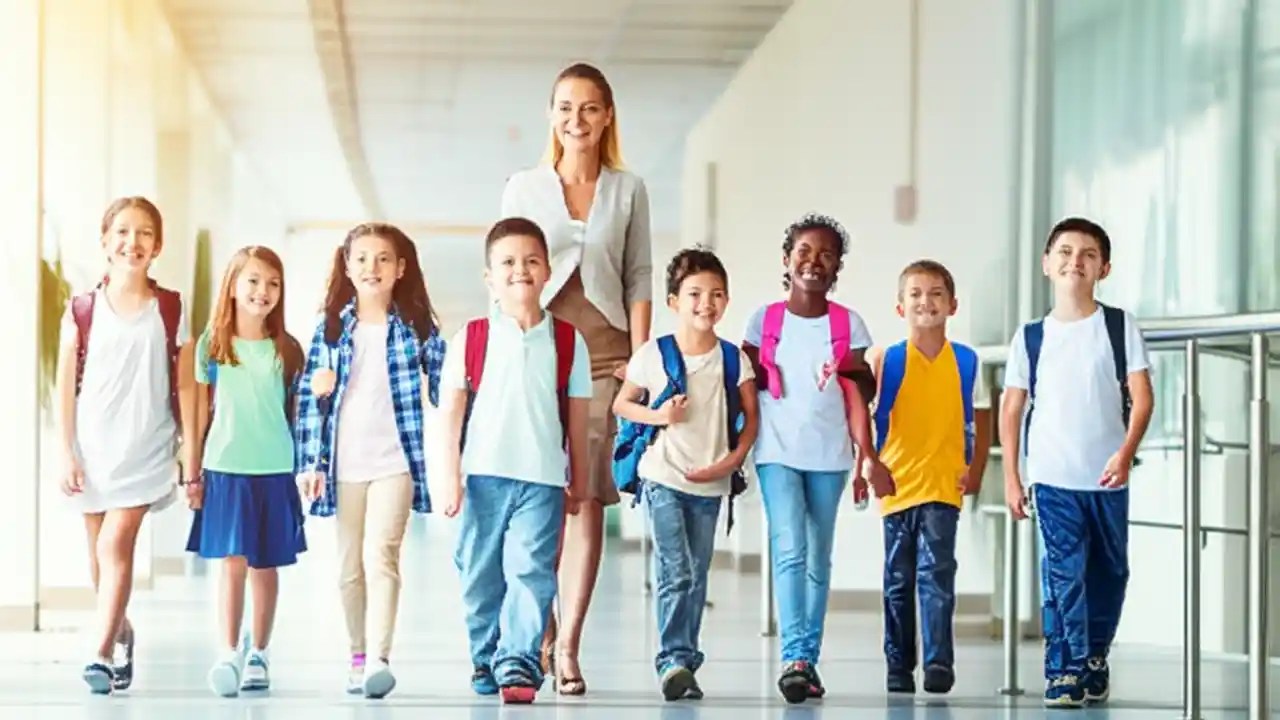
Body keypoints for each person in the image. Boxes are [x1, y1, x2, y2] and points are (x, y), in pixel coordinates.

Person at [499, 61, 652, 694]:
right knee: (543, 496)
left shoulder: (629, 188)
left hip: (608, 355)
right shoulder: (523, 186)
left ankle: (568, 645)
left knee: (586, 499)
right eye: (565, 107)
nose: (576, 120)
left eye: (589, 108)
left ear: (608, 115)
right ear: (551, 115)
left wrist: (643, 363)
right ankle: (540, 626)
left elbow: (641, 275)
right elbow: (505, 270)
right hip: (542, 353)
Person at [1000, 217, 1154, 708]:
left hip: (1107, 476)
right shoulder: (1030, 337)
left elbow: (1143, 397)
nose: (1075, 261)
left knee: (1111, 571)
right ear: (1047, 264)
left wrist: (1126, 452)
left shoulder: (1117, 325)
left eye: (1088, 254)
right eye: (1064, 252)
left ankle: (1094, 656)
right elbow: (1012, 408)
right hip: (1052, 475)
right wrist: (1011, 477)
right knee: (1063, 573)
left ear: (1103, 268)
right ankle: (1062, 669)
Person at [439, 217, 591, 705]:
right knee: (479, 574)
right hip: (482, 478)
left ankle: (519, 660)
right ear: (489, 277)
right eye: (507, 262)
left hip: (542, 479)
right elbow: (450, 417)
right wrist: (449, 479)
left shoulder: (568, 341)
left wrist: (580, 482)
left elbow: (578, 420)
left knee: (532, 572)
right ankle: (486, 654)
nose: (519, 270)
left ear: (548, 271)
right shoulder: (473, 338)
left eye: (531, 261)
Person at [741, 212, 891, 704]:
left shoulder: (850, 323)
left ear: (837, 268)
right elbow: (742, 382)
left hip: (830, 455)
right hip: (776, 451)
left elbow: (862, 392)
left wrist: (867, 455)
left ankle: (808, 657)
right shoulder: (764, 321)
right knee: (789, 549)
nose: (814, 261)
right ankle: (795, 658)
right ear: (787, 260)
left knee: (818, 557)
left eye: (827, 254)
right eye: (804, 251)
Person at [293, 223, 446, 699]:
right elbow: (308, 400)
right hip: (342, 464)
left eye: (383, 259)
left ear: (401, 269)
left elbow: (450, 389)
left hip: (395, 462)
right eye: (361, 258)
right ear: (346, 266)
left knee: (383, 557)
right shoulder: (331, 328)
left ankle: (380, 658)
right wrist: (309, 463)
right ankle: (356, 655)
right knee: (347, 568)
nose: (371, 268)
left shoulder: (418, 329)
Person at [54, 197, 192, 694]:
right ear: (106, 240)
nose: (133, 242)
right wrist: (66, 451)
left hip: (147, 446)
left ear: (158, 245)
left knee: (116, 544)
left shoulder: (171, 307)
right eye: (123, 232)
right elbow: (65, 384)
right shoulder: (82, 308)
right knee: (97, 559)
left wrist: (189, 451)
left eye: (145, 233)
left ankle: (99, 653)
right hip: (93, 448)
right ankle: (122, 631)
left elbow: (188, 383)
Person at [612, 247, 759, 701]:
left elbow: (751, 418)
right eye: (694, 293)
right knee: (676, 570)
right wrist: (661, 419)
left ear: (727, 302)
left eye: (716, 294)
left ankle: (685, 659)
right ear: (674, 301)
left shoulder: (733, 359)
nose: (706, 303)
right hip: (663, 478)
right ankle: (673, 659)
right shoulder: (653, 355)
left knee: (696, 573)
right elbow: (622, 403)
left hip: (711, 483)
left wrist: (734, 460)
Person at [184, 246, 306, 697]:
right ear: (233, 286)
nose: (262, 291)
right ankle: (229, 650)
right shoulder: (210, 346)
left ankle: (260, 652)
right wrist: (191, 475)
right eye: (253, 281)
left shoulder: (288, 350)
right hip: (225, 468)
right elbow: (197, 415)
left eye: (272, 283)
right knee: (232, 562)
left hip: (275, 468)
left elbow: (296, 413)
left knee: (265, 564)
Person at [868, 260, 991, 695]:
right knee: (898, 580)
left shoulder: (967, 361)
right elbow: (867, 419)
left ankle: (939, 663)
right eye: (916, 294)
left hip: (944, 484)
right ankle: (898, 666)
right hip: (898, 485)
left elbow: (981, 416)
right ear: (900, 307)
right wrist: (868, 469)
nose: (926, 301)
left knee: (937, 576)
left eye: (936, 293)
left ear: (952, 304)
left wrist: (973, 472)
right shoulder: (887, 360)